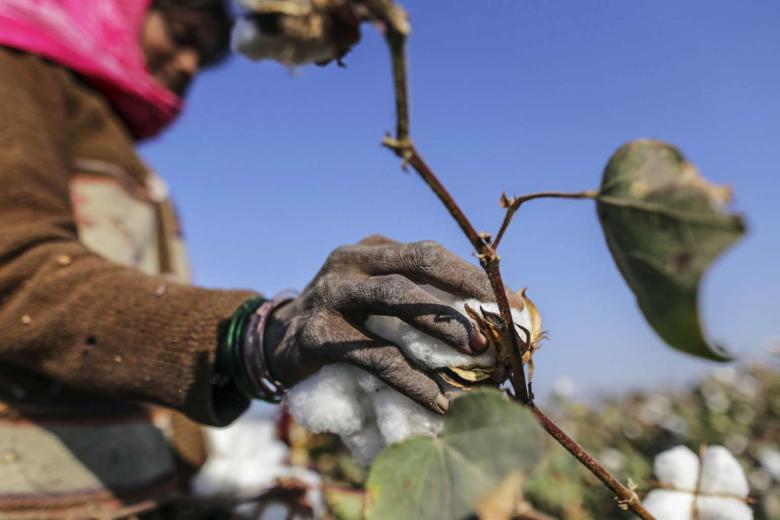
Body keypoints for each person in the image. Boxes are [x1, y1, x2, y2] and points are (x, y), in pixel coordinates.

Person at [0, 0, 496, 517]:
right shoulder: (16, 67)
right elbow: (12, 266)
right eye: (183, 33)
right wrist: (252, 337)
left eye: (210, 56)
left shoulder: (103, 129)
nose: (191, 65)